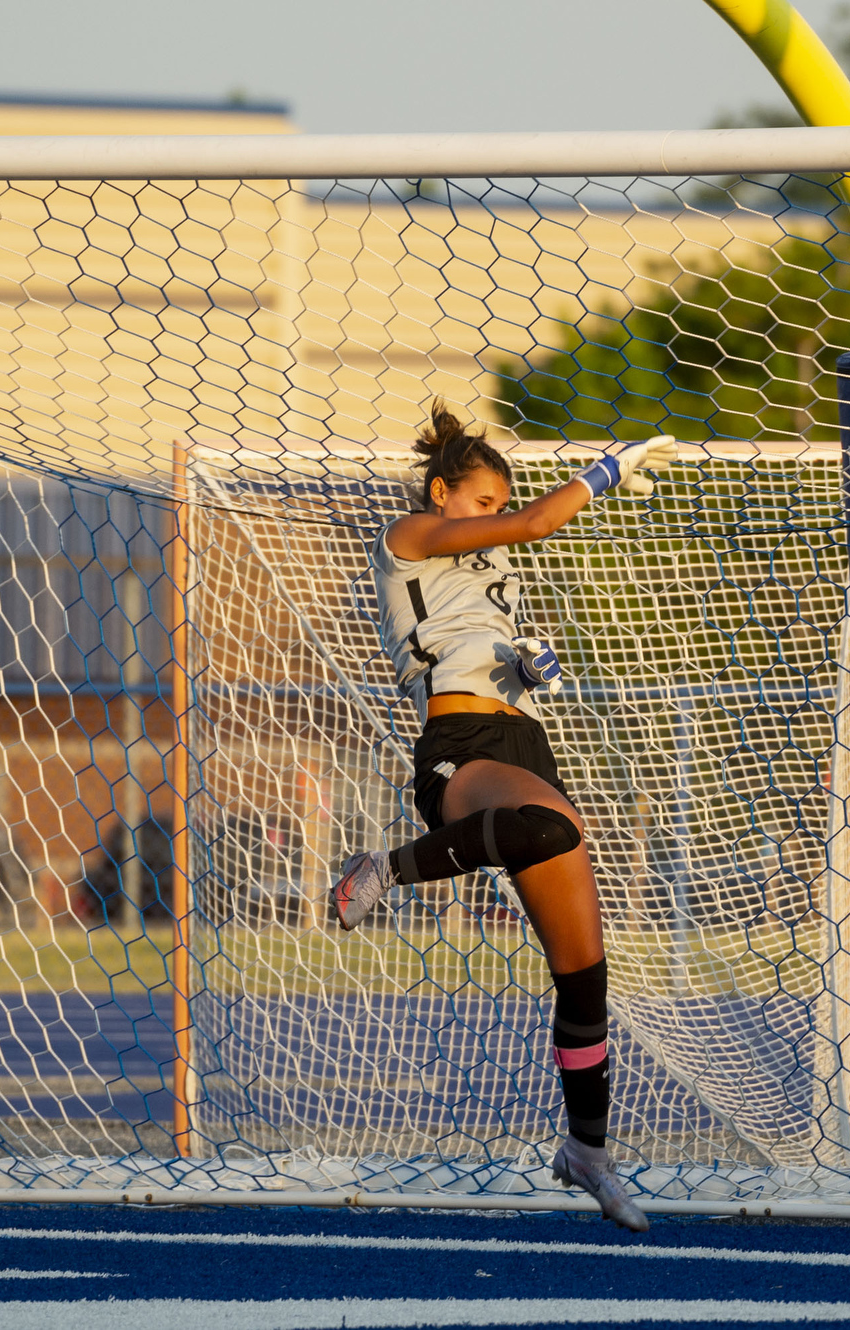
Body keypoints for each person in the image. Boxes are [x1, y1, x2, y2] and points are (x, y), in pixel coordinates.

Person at [330, 401, 675, 1233]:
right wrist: (605, 471)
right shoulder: (409, 535)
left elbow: (482, 616)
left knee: (583, 973)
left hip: (525, 742)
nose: (493, 517)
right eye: (482, 502)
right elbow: (532, 524)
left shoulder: (486, 562)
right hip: (461, 745)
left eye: (497, 506)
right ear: (441, 492)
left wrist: (525, 664)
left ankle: (587, 1151)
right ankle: (386, 867)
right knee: (549, 829)